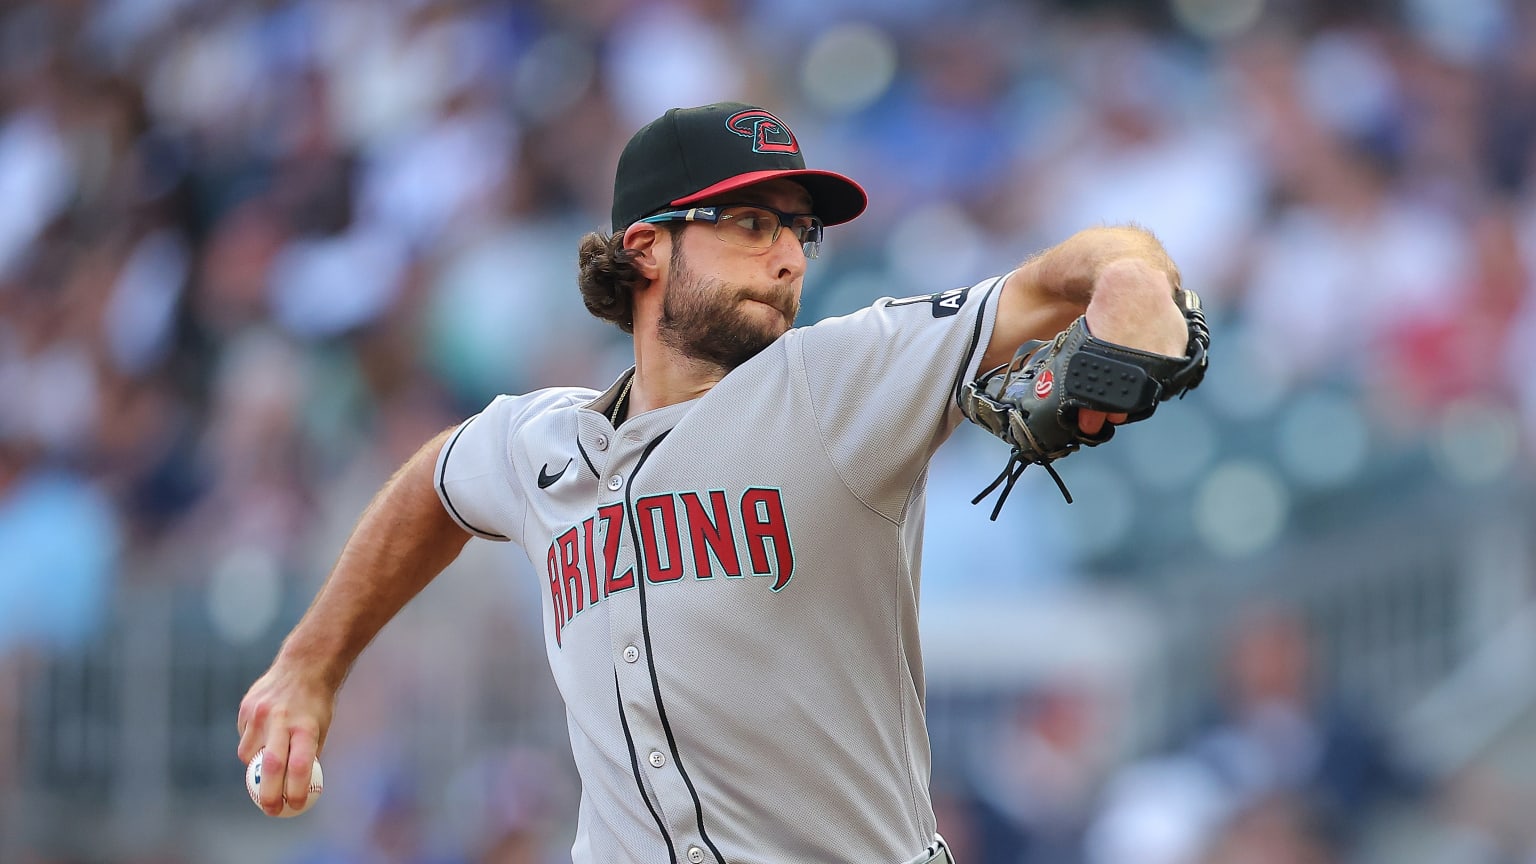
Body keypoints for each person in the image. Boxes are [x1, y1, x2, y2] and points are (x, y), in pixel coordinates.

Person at [237, 101, 1197, 864]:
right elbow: (432, 487)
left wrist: (1132, 283)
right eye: (749, 222)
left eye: (798, 232)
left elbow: (1065, 275)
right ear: (646, 246)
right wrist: (312, 664)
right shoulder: (542, 445)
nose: (788, 254)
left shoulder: (837, 381)